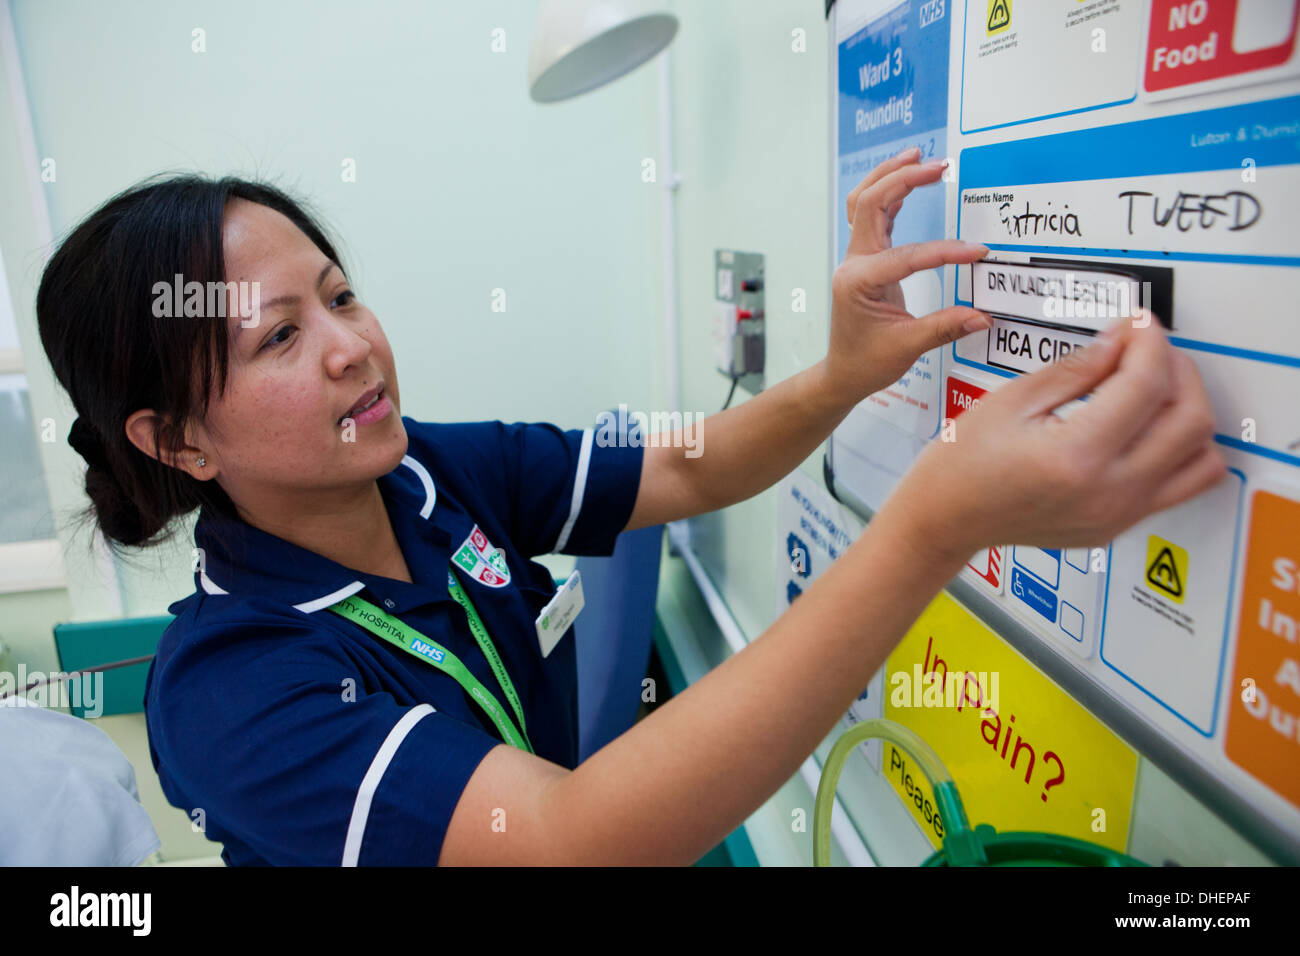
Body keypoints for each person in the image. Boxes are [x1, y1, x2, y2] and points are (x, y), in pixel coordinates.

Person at [34, 149, 1224, 866]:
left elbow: (693, 463)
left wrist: (845, 372)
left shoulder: (427, 473)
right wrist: (934, 521)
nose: (354, 348)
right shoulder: (233, 685)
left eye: (342, 294)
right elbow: (563, 841)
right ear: (177, 437)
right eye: (282, 335)